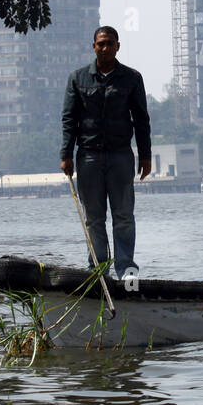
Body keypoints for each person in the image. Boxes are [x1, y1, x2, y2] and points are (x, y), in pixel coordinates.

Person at [60, 26, 152, 276]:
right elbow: (69, 119)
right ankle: (98, 271)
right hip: (88, 156)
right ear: (94, 47)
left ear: (117, 46)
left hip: (121, 155)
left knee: (123, 215)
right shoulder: (78, 79)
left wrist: (146, 155)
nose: (105, 48)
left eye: (110, 43)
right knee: (94, 218)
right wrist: (65, 155)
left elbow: (141, 119)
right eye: (100, 43)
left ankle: (125, 270)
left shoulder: (132, 78)